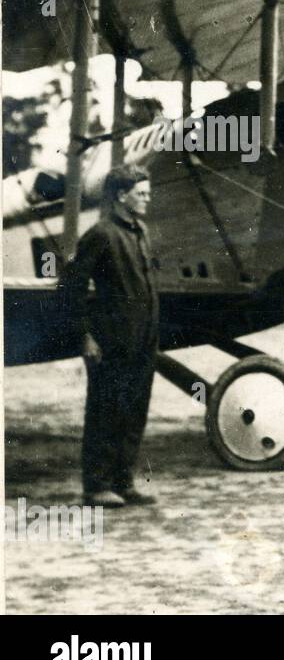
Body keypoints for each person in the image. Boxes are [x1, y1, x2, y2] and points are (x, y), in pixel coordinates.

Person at [62, 165, 160, 508]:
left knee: (134, 410)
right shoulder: (101, 234)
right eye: (141, 192)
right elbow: (71, 287)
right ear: (121, 195)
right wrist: (84, 336)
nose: (148, 198)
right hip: (111, 341)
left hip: (143, 339)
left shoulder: (141, 231)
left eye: (148, 192)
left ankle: (124, 481)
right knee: (106, 410)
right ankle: (97, 486)